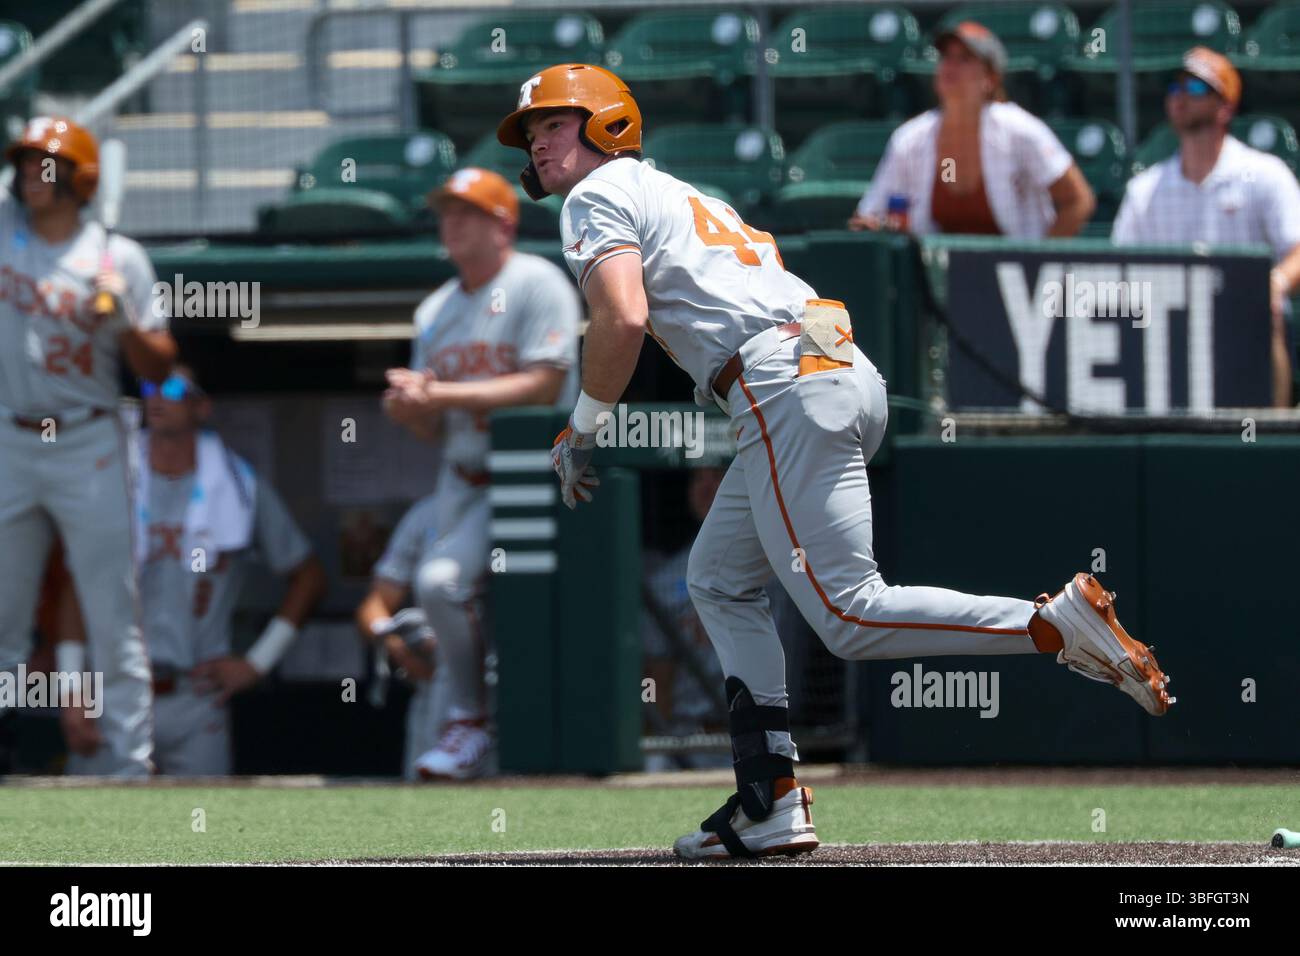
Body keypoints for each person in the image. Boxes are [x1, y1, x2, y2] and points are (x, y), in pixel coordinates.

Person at [497, 63, 1173, 860]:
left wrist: (582, 427)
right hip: (828, 367)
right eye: (531, 132)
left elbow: (621, 316)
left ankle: (1050, 626)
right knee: (717, 577)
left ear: (607, 123)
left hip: (783, 382)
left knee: (849, 615)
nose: (539, 142)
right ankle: (772, 796)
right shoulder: (682, 193)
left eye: (554, 124)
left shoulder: (596, 193)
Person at [378, 167, 581, 779]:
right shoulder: (434, 309)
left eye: (467, 212)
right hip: (458, 477)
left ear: (505, 223)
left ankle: (471, 721)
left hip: (528, 478)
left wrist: (438, 396)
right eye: (446, 212)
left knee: (441, 583)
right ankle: (471, 729)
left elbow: (545, 382)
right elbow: (434, 427)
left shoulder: (537, 282)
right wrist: (409, 408)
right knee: (444, 595)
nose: (452, 223)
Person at [0, 116, 176, 776]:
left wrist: (123, 318)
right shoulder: (4, 229)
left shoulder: (119, 259)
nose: (28, 176)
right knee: (4, 614)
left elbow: (160, 367)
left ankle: (132, 766)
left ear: (79, 179)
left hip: (90, 440)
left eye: (44, 165)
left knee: (112, 612)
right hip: (10, 435)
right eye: (23, 165)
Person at [53, 366, 327, 775]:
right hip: (113, 692)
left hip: (196, 697)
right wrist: (72, 689)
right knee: (97, 833)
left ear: (202, 407)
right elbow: (77, 585)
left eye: (174, 388)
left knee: (201, 834)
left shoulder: (238, 485)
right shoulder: (110, 478)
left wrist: (256, 663)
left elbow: (309, 577)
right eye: (149, 386)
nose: (158, 396)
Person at [1112, 47, 1300, 408]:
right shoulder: (1145, 189)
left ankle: (1267, 438)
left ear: (1225, 106)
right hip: (1168, 328)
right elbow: (1121, 265)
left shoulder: (1264, 173)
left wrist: (1274, 284)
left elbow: (1296, 248)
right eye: (1175, 88)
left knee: (1264, 308)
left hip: (1245, 321)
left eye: (1196, 89)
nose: (1181, 97)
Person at [849, 21, 1094, 237]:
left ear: (991, 79)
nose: (951, 66)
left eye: (965, 58)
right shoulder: (910, 139)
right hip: (933, 284)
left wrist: (1039, 264)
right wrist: (875, 224)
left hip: (1015, 280)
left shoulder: (1020, 130)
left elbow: (1078, 200)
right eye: (946, 57)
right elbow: (871, 213)